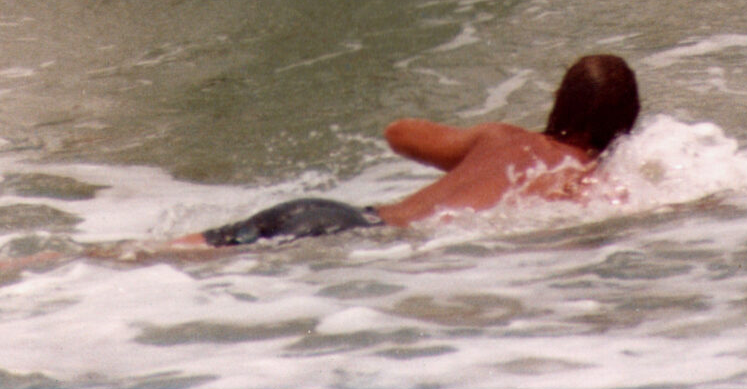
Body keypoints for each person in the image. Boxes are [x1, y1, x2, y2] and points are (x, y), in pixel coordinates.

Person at [183, 54, 641, 248]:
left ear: (562, 99)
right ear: (622, 126)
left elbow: (398, 132)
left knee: (148, 256)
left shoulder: (499, 138)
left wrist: (475, 159)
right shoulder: (582, 180)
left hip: (332, 213)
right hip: (352, 240)